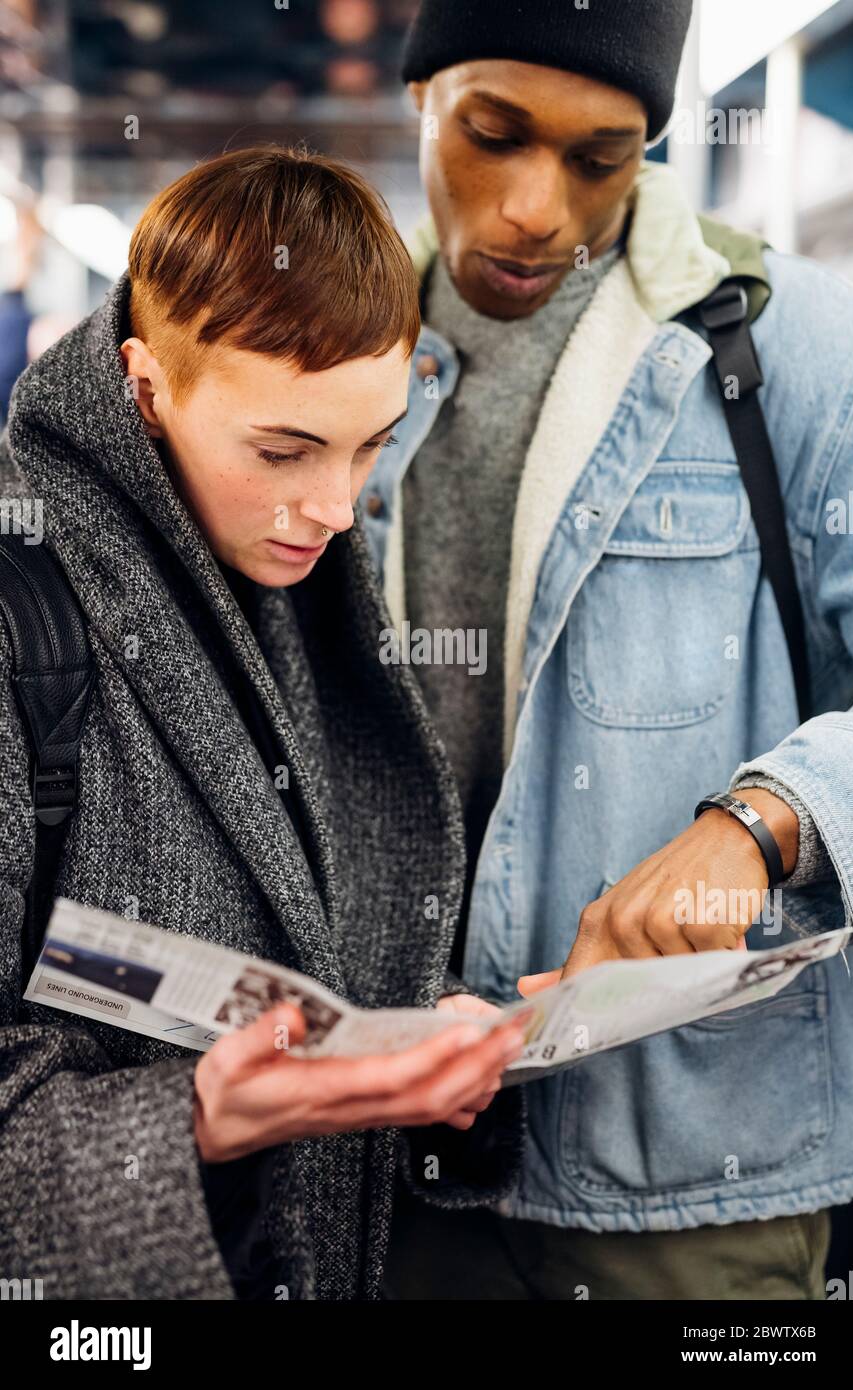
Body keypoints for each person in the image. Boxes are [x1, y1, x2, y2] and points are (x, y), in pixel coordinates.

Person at [367, 0, 853, 1299]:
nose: (537, 206)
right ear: (418, 93)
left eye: (601, 157)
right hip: (388, 1156)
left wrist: (765, 821)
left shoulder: (784, 344)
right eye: (492, 133)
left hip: (688, 1179)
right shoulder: (333, 343)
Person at [0, 146, 527, 1301]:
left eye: (372, 442)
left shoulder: (305, 588)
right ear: (143, 386)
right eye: (284, 450)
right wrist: (186, 1123)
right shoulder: (21, 622)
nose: (336, 508)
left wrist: (423, 1059)